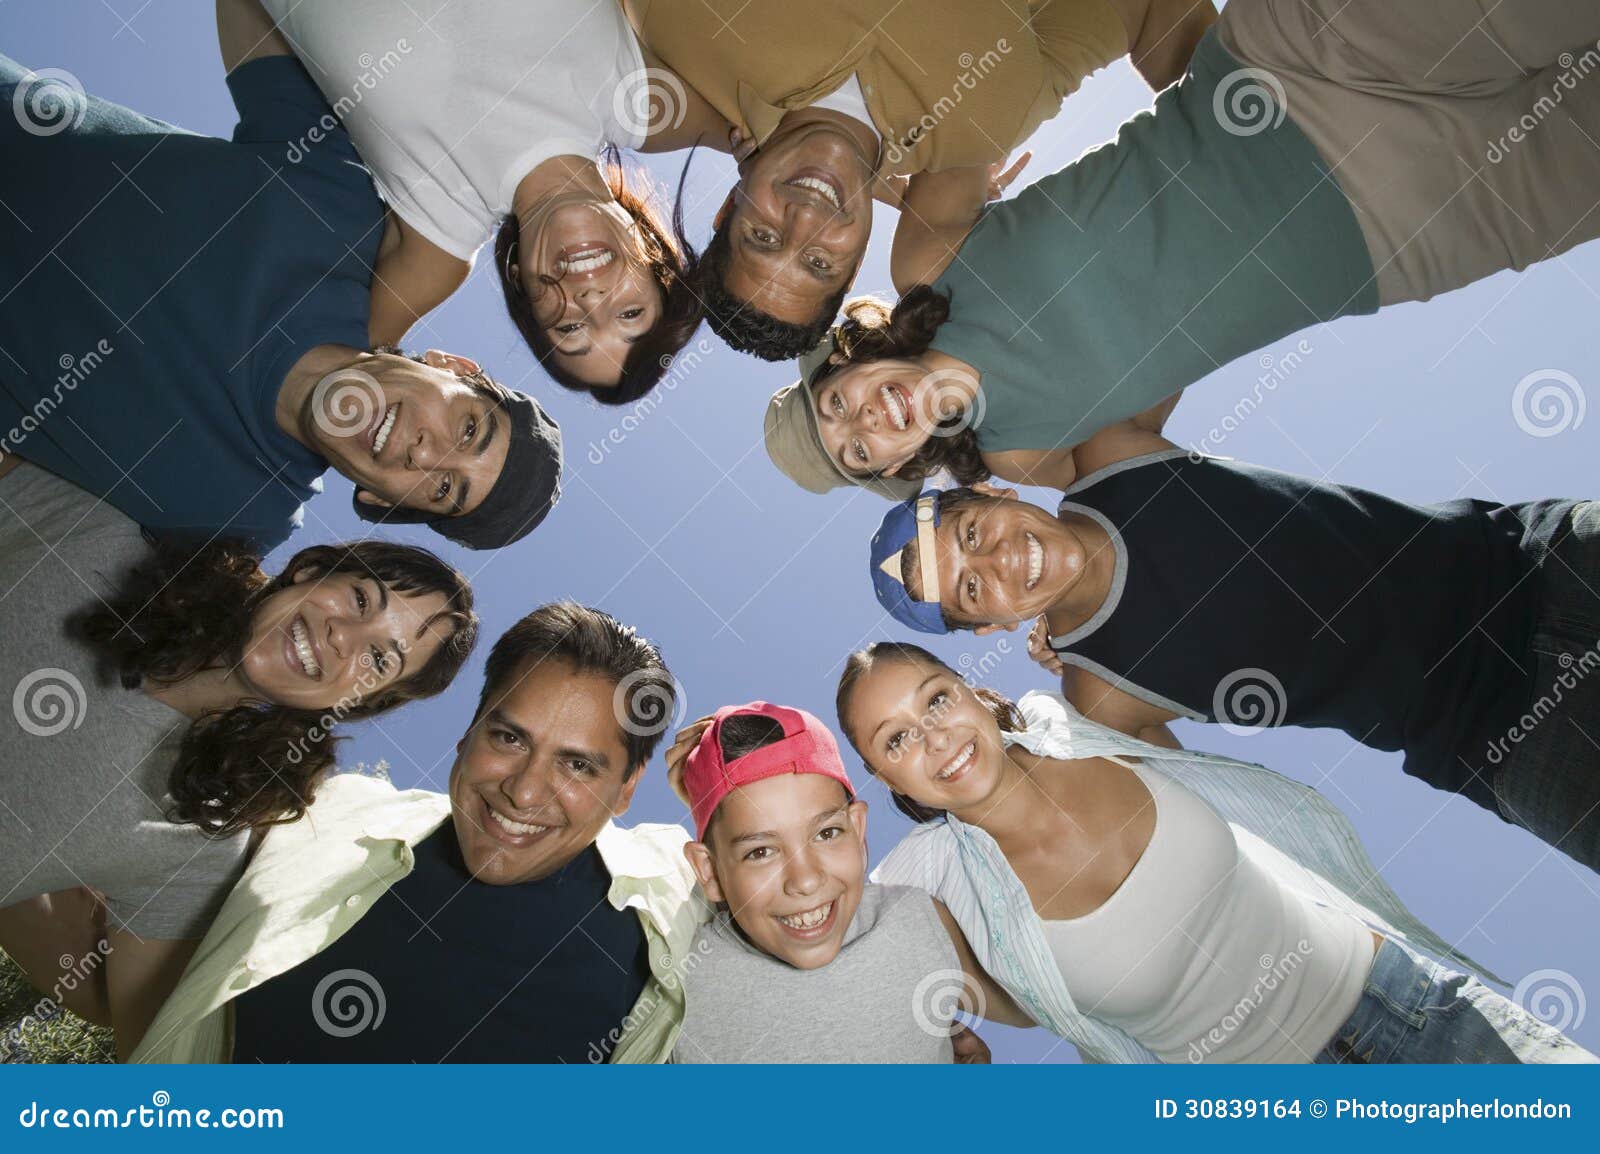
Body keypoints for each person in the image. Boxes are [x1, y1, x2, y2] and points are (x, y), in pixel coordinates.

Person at [764, 1, 1600, 498]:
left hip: (1299, 72)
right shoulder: (1027, 454)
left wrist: (882, 173)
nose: (866, 423)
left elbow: (966, 111)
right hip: (1401, 233)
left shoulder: (927, 266)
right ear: (898, 465)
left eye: (838, 404)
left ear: (848, 360)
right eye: (858, 454)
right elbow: (1129, 511)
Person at [863, 421, 1598, 871]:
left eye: (970, 537)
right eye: (970, 592)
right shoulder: (1102, 697)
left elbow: (1169, 294)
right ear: (990, 625)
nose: (994, 564)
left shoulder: (1117, 459)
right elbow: (1200, 838)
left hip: (1536, 563)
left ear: (995, 496)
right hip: (1500, 740)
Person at [837, 644, 1598, 1063]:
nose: (933, 736)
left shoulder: (1074, 719)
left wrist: (1085, 634)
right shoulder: (927, 880)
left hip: (1406, 1005)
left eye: (936, 698)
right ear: (883, 778)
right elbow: (805, 933)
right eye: (896, 738)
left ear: (975, 694)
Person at [0, 43, 561, 552]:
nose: (423, 452)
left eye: (442, 487)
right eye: (467, 428)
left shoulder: (240, 521)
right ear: (451, 365)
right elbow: (264, 21)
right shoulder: (343, 205)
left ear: (380, 503)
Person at [0, 463, 477, 1060]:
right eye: (360, 598)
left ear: (360, 703)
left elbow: (104, 996)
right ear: (308, 569)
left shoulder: (200, 838)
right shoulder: (96, 538)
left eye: (379, 659)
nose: (343, 636)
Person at [130, 602, 704, 1064]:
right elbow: (138, 983)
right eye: (509, 739)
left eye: (578, 765)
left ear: (628, 787)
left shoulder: (674, 902)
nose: (525, 792)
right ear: (468, 731)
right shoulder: (316, 819)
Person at [629, 0, 1218, 363]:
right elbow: (1146, 8)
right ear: (857, 262)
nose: (805, 220)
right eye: (818, 263)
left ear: (729, 205)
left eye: (762, 237)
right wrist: (1245, 131)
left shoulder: (683, 24)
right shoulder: (987, 119)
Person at [240, 0, 729, 403]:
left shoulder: (442, 230)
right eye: (630, 314)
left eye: (570, 327)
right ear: (653, 254)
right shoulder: (642, 103)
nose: (590, 301)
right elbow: (785, 141)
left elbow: (314, 382)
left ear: (521, 289)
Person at [663, 701, 1029, 1062]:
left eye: (827, 833)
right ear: (708, 871)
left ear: (857, 828)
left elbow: (1039, 1007)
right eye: (760, 852)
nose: (805, 880)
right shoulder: (675, 988)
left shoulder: (915, 920)